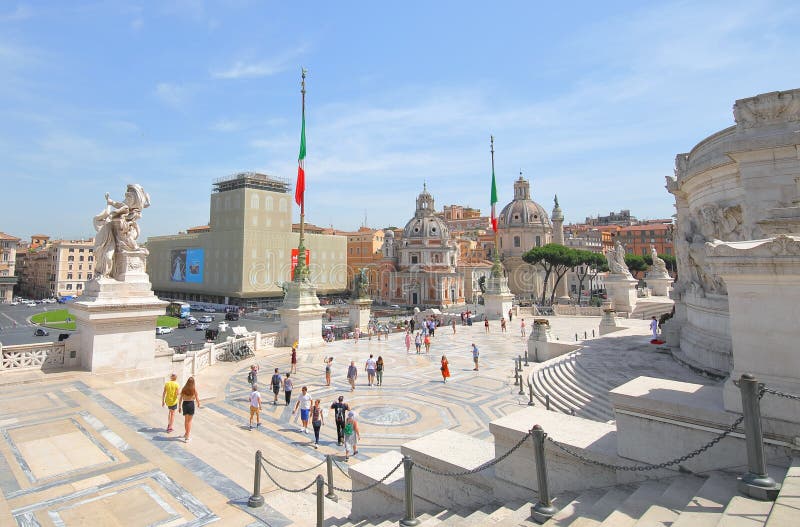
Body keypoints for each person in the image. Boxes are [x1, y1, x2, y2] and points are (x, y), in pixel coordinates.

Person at [178, 376, 200, 443]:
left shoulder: (184, 388)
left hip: (184, 404)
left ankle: (186, 434)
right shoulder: (194, 389)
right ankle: (187, 437)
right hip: (191, 404)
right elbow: (197, 397)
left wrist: (179, 407)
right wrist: (198, 403)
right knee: (189, 421)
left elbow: (180, 398)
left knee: (186, 420)